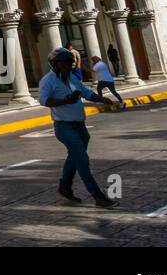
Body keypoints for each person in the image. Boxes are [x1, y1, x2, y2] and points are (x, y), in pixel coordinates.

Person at [39, 47, 119, 209]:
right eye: (66, 62)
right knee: (82, 160)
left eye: (71, 62)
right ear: (55, 64)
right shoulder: (48, 81)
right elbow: (44, 101)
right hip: (64, 127)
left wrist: (101, 99)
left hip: (80, 126)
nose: (70, 65)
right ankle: (98, 196)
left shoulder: (72, 78)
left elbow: (85, 92)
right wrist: (66, 101)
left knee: (75, 157)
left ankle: (65, 186)